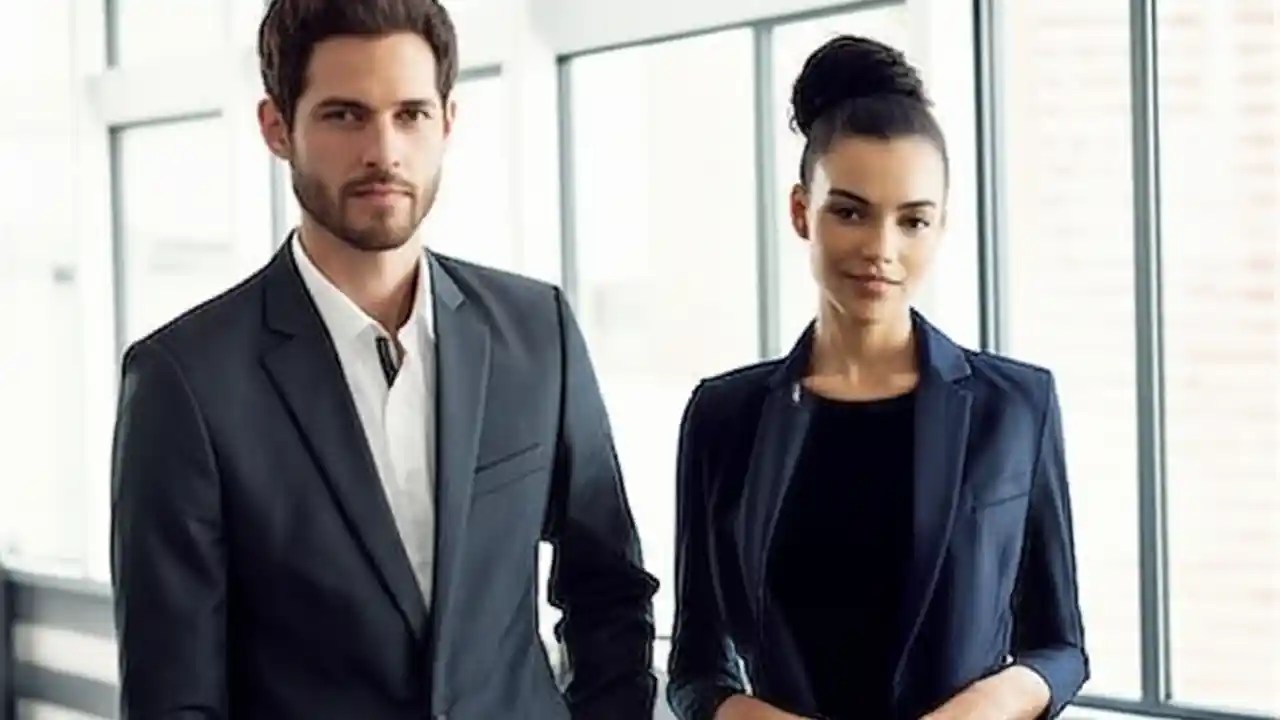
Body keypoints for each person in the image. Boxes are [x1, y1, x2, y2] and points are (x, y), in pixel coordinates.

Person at [109, 1, 658, 717]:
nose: (384, 151)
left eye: (410, 114)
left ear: (448, 122)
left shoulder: (536, 331)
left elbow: (609, 590)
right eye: (344, 115)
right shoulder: (184, 381)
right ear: (278, 128)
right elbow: (172, 695)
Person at [666, 36, 1088, 720]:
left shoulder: (1016, 406)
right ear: (803, 211)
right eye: (851, 212)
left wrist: (980, 709)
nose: (881, 250)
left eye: (912, 221)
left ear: (940, 226)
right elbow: (693, 667)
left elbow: (1061, 646)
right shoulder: (725, 416)